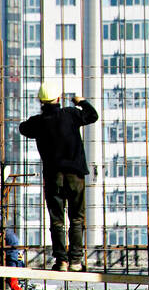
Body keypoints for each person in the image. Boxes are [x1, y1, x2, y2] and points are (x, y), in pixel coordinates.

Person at [19, 82, 99, 271]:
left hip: (53, 176)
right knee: (77, 218)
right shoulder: (71, 115)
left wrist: (39, 121)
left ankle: (61, 261)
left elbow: (23, 128)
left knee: (57, 219)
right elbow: (92, 116)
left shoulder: (38, 122)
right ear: (58, 98)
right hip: (75, 174)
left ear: (41, 101)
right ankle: (76, 262)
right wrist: (82, 102)